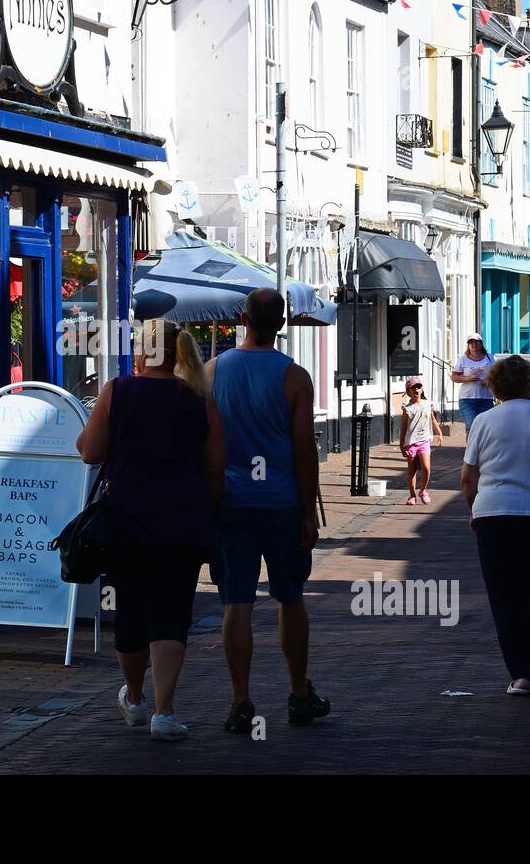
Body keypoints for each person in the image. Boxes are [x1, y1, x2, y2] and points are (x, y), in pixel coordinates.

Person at [76, 318, 225, 742]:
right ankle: (165, 712)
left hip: (127, 521)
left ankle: (136, 699)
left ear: (142, 352)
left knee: (130, 612)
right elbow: (216, 468)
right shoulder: (199, 401)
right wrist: (207, 511)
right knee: (172, 614)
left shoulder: (118, 391)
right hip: (181, 522)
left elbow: (90, 452)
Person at [206, 289, 331, 733]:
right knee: (291, 598)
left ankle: (241, 700)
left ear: (242, 319)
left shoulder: (212, 371)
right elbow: (303, 450)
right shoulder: (294, 377)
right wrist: (307, 510)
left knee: (236, 603)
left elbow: (206, 446)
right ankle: (298, 692)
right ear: (282, 324)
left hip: (231, 504)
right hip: (280, 501)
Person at [461, 356, 530, 695]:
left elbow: (468, 476)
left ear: (494, 386)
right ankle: (527, 660)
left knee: (503, 594)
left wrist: (474, 508)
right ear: (528, 383)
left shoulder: (483, 421)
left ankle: (519, 670)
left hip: (495, 515)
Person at [400, 375, 444, 506]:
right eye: (413, 388)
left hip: (424, 440)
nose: (416, 390)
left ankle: (423, 491)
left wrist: (440, 433)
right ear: (408, 392)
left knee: (426, 468)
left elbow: (433, 420)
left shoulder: (428, 404)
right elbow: (403, 429)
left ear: (422, 389)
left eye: (418, 387)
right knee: (412, 470)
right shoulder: (407, 409)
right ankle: (412, 495)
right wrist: (402, 446)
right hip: (411, 442)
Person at [451, 333, 495, 430]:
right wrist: (467, 379)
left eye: (476, 342)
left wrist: (488, 381)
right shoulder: (463, 359)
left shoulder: (489, 358)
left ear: (481, 344)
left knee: (486, 428)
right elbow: (454, 377)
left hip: (486, 398)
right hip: (467, 399)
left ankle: (483, 446)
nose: (474, 345)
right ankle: (470, 446)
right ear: (468, 345)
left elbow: (496, 374)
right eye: (471, 343)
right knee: (472, 427)